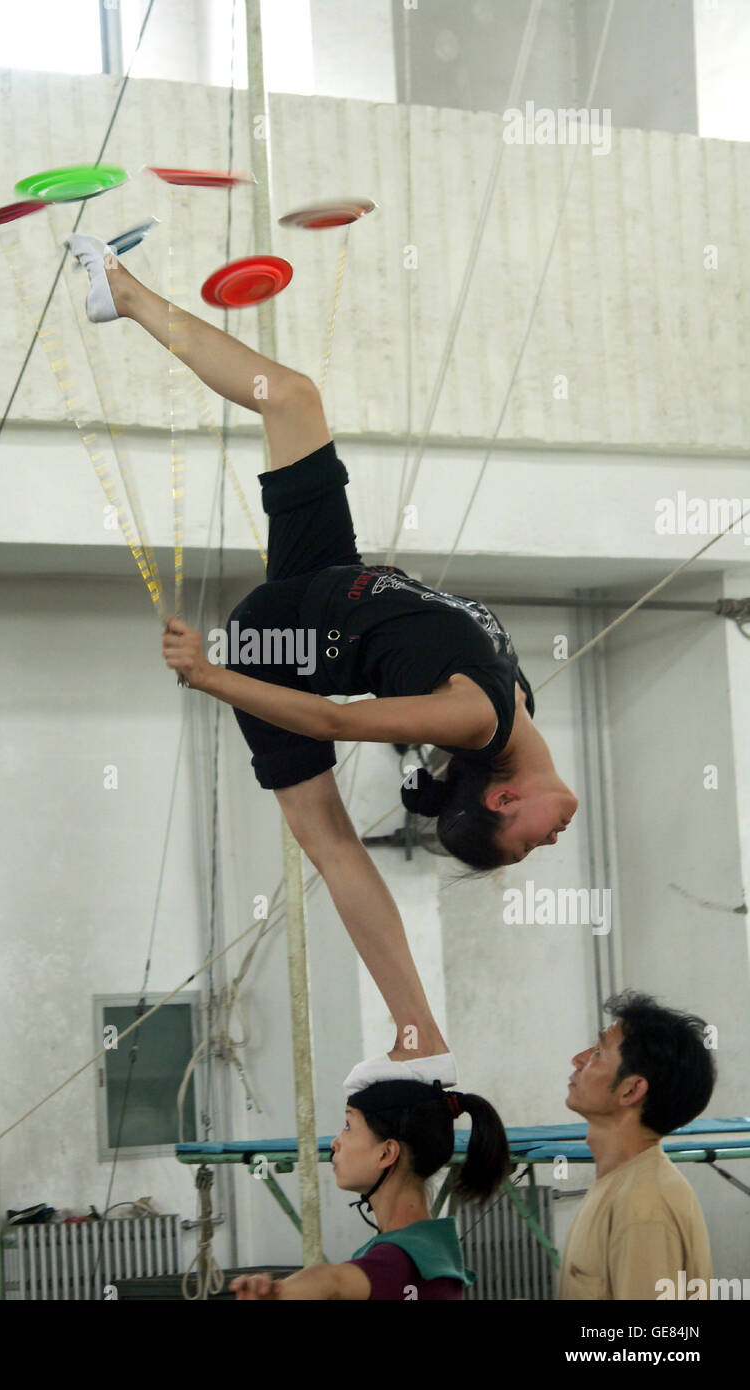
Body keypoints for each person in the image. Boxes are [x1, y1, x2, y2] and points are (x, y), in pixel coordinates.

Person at [66, 233, 577, 1090]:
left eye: (522, 845)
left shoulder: (475, 719)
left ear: (502, 796)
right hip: (329, 581)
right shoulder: (511, 707)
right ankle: (122, 292)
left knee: (335, 847)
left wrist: (212, 676)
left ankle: (417, 1032)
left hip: (277, 650)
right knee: (292, 397)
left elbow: (339, 720)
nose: (546, 844)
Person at [229, 1079, 509, 1300]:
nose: (336, 1142)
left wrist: (279, 1293)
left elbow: (332, 1282)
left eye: (349, 1126)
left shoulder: (400, 1260)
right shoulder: (428, 1248)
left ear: (387, 1153)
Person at [559, 990, 716, 1300]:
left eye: (597, 1053)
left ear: (631, 1090)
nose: (577, 1060)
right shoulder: (619, 1184)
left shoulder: (643, 1208)